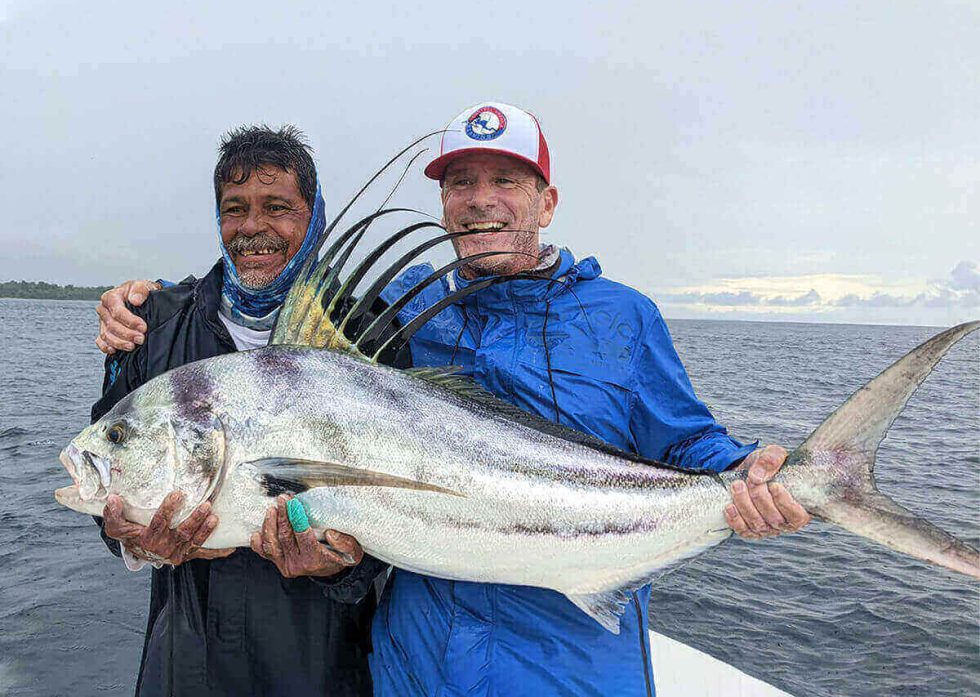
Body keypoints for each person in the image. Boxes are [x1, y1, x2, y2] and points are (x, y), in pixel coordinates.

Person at [99, 106, 811, 696]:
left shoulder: (620, 316)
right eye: (461, 183)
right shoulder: (405, 310)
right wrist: (147, 302)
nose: (480, 199)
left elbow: (693, 446)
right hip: (417, 665)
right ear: (442, 204)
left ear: (548, 200)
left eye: (506, 179)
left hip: (571, 665)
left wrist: (753, 476)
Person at [92, 125, 385, 697]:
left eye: (278, 207)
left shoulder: (365, 330)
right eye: (235, 209)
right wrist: (128, 536)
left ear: (313, 217)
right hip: (185, 662)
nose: (253, 228)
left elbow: (407, 497)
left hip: (323, 664)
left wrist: (342, 567)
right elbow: (107, 469)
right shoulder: (153, 324)